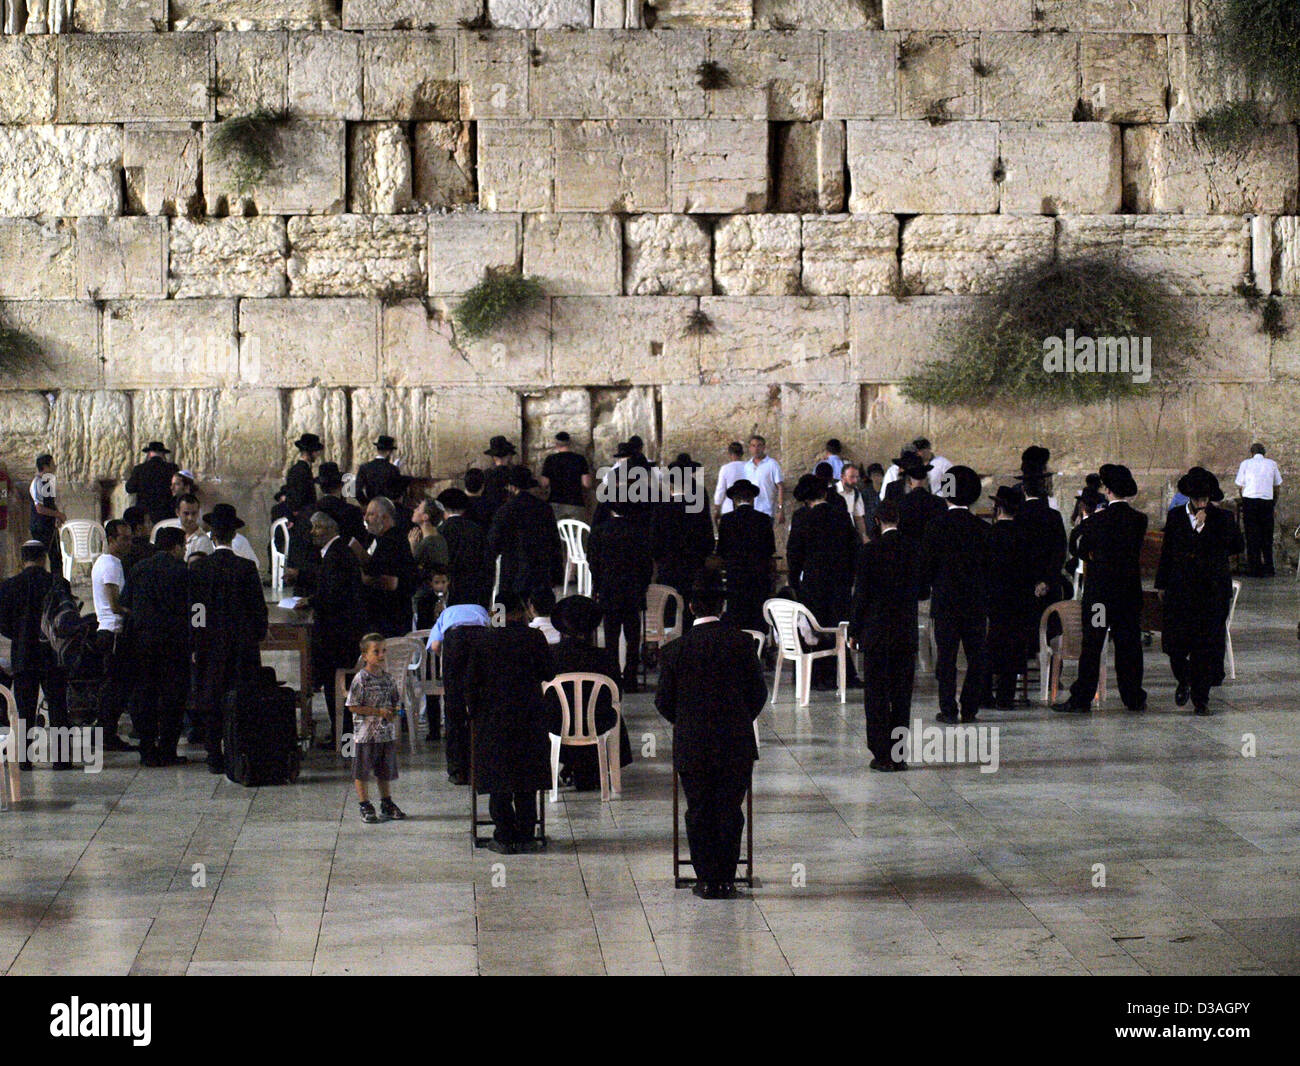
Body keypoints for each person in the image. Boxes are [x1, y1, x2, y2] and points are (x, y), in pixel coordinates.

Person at [655, 579, 767, 900]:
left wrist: (688, 723)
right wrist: (739, 719)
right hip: (736, 743)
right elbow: (758, 693)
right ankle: (726, 879)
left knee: (699, 809)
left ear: (690, 608)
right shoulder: (742, 643)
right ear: (722, 608)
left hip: (693, 744)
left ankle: (705, 880)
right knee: (730, 809)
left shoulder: (675, 651)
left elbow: (664, 701)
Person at [463, 592, 557, 854]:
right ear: (522, 610)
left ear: (495, 613)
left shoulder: (482, 640)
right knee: (526, 780)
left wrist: (475, 714)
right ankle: (526, 836)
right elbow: (549, 672)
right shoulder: (534, 637)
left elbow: (470, 683)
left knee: (499, 781)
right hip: (529, 717)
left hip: (493, 720)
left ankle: (504, 837)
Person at [1054, 464, 1148, 715]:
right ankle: (1133, 697)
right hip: (1127, 596)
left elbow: (1078, 548)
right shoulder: (1139, 520)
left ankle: (1082, 697)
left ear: (1107, 490)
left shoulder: (1097, 520)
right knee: (1129, 646)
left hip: (1100, 598)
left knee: (1093, 645)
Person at [1156, 468, 1244, 716]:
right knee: (1174, 645)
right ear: (1190, 498)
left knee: (1204, 646)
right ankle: (1184, 679)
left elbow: (1238, 545)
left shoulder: (1223, 519)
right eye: (1197, 499)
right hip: (1180, 589)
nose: (1201, 503)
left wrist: (1211, 528)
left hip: (1211, 591)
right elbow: (1167, 553)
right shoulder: (1175, 517)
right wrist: (1161, 584)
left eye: (1205, 499)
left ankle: (1200, 699)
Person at [189, 504, 268, 773]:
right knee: (241, 696)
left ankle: (213, 755)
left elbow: (196, 609)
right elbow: (258, 609)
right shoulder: (245, 568)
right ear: (234, 535)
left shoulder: (200, 569)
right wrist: (256, 635)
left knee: (212, 697)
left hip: (211, 645)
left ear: (212, 535)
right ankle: (239, 752)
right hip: (241, 645)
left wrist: (199, 637)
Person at [848, 499, 917, 771]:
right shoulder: (913, 550)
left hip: (876, 632)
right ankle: (899, 754)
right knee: (901, 696)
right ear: (898, 519)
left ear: (876, 521)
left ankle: (881, 753)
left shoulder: (869, 551)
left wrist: (854, 629)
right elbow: (921, 589)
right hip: (904, 632)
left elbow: (861, 596)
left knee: (876, 695)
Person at [918, 466, 989, 725]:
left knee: (946, 659)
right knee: (976, 656)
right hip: (975, 603)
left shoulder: (936, 527)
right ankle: (969, 707)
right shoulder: (982, 528)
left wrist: (924, 588)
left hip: (946, 602)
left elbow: (926, 566)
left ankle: (948, 709)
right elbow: (989, 568)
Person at [548, 595, 634, 791]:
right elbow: (616, 696)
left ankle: (569, 765)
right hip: (598, 727)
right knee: (611, 713)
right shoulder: (605, 658)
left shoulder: (549, 656)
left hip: (557, 728)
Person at [121, 526, 189, 766]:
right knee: (173, 696)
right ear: (177, 547)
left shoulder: (139, 569)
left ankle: (147, 750)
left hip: (143, 643)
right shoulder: (182, 571)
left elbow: (126, 606)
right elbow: (194, 610)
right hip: (174, 643)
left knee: (145, 695)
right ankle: (168, 749)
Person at [0, 540, 71, 772]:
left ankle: (24, 759)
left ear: (23, 559)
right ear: (44, 558)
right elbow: (68, 618)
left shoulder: (9, 586)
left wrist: (18, 634)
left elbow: (3, 623)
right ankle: (61, 759)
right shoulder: (59, 583)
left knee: (24, 710)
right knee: (58, 706)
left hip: (23, 655)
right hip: (53, 654)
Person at [785, 474, 858, 690]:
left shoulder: (801, 518)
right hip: (839, 582)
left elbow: (794, 554)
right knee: (837, 629)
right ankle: (843, 674)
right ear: (825, 493)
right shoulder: (841, 516)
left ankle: (816, 676)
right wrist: (850, 578)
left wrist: (795, 582)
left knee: (815, 631)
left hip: (813, 583)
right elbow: (854, 549)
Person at [300, 511, 364, 750]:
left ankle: (344, 736)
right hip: (338, 632)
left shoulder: (337, 554)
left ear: (329, 529)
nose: (312, 532)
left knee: (337, 685)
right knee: (333, 685)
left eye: (316, 527)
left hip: (339, 635)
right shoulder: (335, 553)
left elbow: (335, 594)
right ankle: (341, 734)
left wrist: (312, 601)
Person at [588, 497, 654, 691]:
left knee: (611, 637)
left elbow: (593, 562)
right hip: (633, 591)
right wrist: (643, 586)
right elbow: (646, 565)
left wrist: (598, 585)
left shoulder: (600, 531)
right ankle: (631, 678)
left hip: (609, 591)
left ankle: (613, 677)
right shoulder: (640, 533)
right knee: (633, 637)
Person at [427, 598, 491, 784]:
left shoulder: (446, 615)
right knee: (480, 707)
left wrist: (447, 659)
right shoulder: (481, 610)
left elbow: (435, 646)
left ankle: (457, 771)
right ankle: (480, 767)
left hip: (454, 645)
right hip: (480, 641)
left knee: (454, 710)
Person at [345, 634, 407, 823]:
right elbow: (353, 706)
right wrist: (378, 712)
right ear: (365, 655)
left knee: (384, 771)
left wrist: (396, 712)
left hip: (385, 735)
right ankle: (364, 804)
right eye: (376, 651)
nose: (381, 655)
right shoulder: (360, 679)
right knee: (362, 771)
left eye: (383, 651)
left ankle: (386, 802)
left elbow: (397, 703)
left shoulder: (388, 679)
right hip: (365, 736)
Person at [651, 453, 715, 627]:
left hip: (668, 566)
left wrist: (660, 559)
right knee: (689, 608)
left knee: (669, 608)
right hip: (692, 566)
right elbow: (707, 538)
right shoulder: (698, 502)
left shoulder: (661, 506)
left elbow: (655, 540)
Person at [984, 486, 1033, 710]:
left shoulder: (990, 535)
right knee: (1013, 647)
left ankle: (984, 695)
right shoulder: (1025, 535)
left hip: (993, 599)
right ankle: (1006, 697)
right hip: (1019, 600)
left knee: (990, 645)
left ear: (998, 508)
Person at [488, 466, 564, 600]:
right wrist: (557, 575)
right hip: (540, 570)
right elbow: (554, 543)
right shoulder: (544, 508)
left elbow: (494, 543)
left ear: (511, 487)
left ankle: (499, 621)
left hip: (512, 570)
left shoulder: (505, 510)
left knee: (508, 610)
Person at [715, 479, 775, 632]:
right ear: (752, 499)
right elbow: (770, 549)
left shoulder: (727, 520)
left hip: (736, 578)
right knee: (757, 618)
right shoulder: (764, 520)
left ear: (735, 500)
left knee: (737, 618)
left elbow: (721, 550)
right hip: (759, 578)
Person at [352, 496, 415, 638]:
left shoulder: (392, 541)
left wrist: (364, 579)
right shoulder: (378, 539)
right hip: (377, 616)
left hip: (390, 619)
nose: (366, 518)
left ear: (385, 518)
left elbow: (391, 582)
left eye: (371, 514)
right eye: (366, 513)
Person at [1015, 459, 1068, 615]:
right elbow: (1060, 551)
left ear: (1023, 489)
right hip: (1049, 584)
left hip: (1023, 585)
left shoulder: (1017, 517)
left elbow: (1016, 552)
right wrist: (1045, 580)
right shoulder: (1054, 516)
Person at [437, 487, 490, 607]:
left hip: (448, 588)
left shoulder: (441, 531)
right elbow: (486, 562)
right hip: (473, 589)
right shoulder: (477, 530)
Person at [1236, 443, 1282, 577]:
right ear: (1264, 453)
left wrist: (1244, 501)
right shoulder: (1272, 464)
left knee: (1251, 536)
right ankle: (1269, 567)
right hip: (1267, 503)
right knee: (1267, 536)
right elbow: (1277, 486)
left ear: (1251, 453)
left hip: (1250, 502)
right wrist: (1273, 504)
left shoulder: (1245, 464)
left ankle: (1254, 569)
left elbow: (1240, 485)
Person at [541, 431, 592, 523]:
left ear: (556, 444)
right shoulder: (580, 459)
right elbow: (586, 484)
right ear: (569, 443)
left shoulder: (550, 460)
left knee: (556, 534)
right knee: (577, 535)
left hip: (555, 502)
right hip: (576, 502)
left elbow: (544, 483)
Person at [28, 453, 65, 576]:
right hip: (41, 527)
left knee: (56, 559)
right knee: (40, 560)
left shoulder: (48, 482)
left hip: (49, 527)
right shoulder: (37, 483)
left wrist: (56, 516)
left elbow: (50, 504)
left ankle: (59, 590)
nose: (55, 466)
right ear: (45, 466)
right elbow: (39, 508)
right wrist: (58, 514)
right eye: (52, 464)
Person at [125, 441, 179, 525]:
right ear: (163, 454)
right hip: (167, 513)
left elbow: (129, 488)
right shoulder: (172, 468)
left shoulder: (139, 469)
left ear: (149, 454)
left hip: (145, 514)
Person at [355, 435, 406, 509]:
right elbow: (397, 492)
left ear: (377, 450)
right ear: (389, 452)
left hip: (371, 506)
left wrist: (367, 504)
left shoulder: (364, 467)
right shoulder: (393, 469)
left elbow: (357, 491)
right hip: (387, 508)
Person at [743, 435, 784, 523]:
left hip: (766, 511)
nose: (756, 449)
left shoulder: (772, 464)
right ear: (750, 448)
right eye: (753, 446)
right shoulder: (747, 466)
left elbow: (780, 487)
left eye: (759, 445)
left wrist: (780, 509)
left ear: (764, 447)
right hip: (750, 511)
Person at [480, 436, 518, 522]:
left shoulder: (486, 475)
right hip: (514, 516)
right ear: (508, 456)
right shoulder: (517, 473)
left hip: (492, 517)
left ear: (493, 457)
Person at [285, 433, 324, 514]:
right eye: (315, 451)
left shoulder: (302, 469)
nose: (317, 454)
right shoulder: (300, 470)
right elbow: (297, 497)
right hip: (304, 516)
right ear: (309, 452)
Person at [408, 497, 448, 576]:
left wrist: (412, 547)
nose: (414, 510)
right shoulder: (440, 538)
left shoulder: (427, 543)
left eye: (418, 509)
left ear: (425, 517)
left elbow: (411, 569)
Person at [713, 441, 748, 521]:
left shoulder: (725, 468)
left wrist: (717, 509)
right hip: (748, 507)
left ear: (729, 454)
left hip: (729, 508)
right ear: (742, 453)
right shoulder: (750, 467)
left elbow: (720, 490)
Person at [837, 462, 870, 541]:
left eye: (857, 477)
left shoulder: (856, 493)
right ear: (842, 477)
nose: (855, 480)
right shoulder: (832, 492)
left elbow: (858, 517)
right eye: (852, 477)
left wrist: (864, 536)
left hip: (849, 534)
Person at [175, 494, 213, 561]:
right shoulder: (172, 533)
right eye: (186, 513)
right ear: (177, 512)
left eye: (194, 513)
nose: (190, 518)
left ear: (198, 512)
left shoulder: (203, 541)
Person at [120, 505, 157, 574]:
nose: (151, 525)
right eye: (148, 522)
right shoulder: (150, 552)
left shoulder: (122, 549)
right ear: (139, 528)